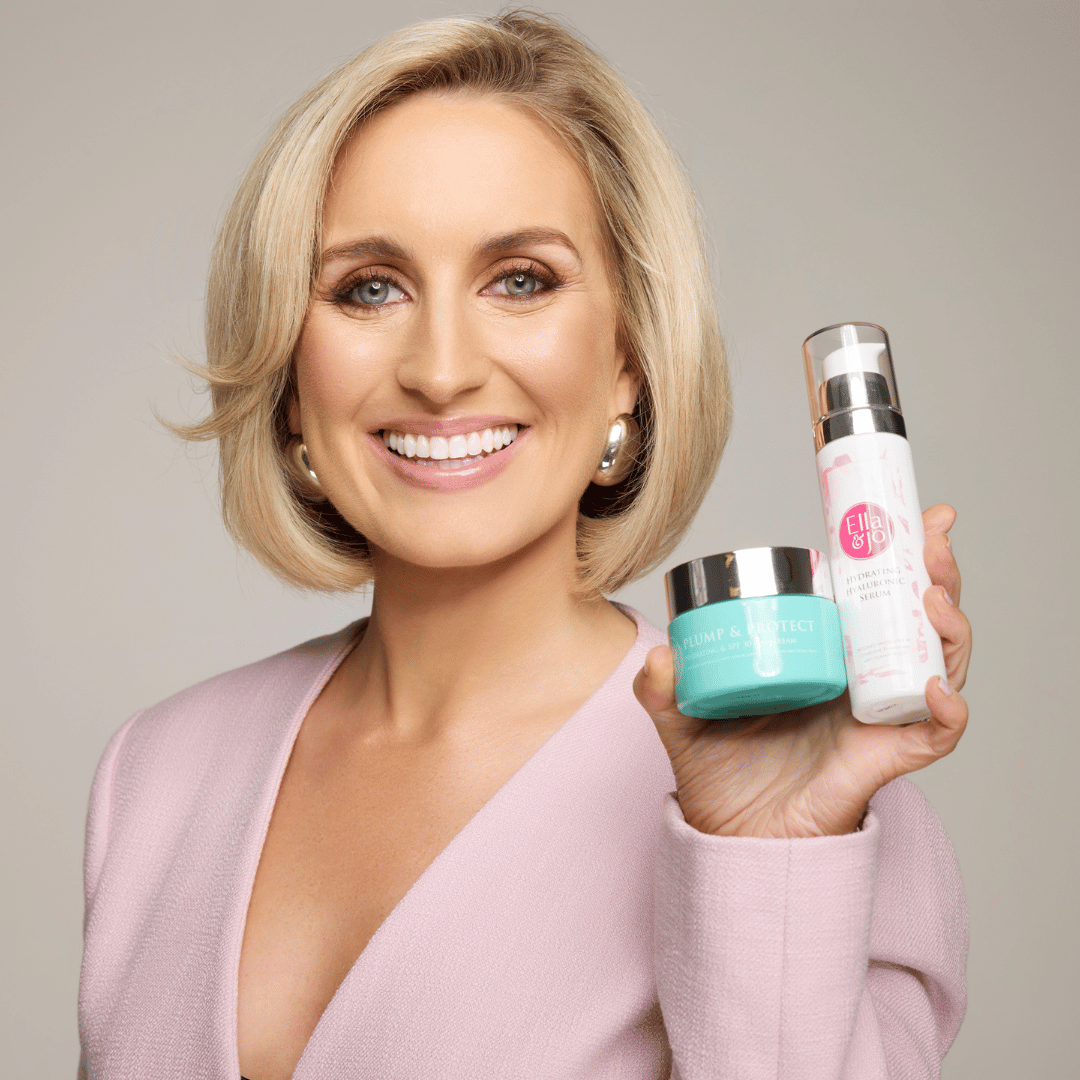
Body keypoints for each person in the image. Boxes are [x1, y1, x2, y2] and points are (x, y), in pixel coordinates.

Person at [77, 11, 971, 1080]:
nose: (441, 370)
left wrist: (766, 865)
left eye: (520, 280)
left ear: (629, 360)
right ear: (289, 375)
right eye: (369, 287)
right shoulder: (157, 772)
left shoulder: (808, 786)